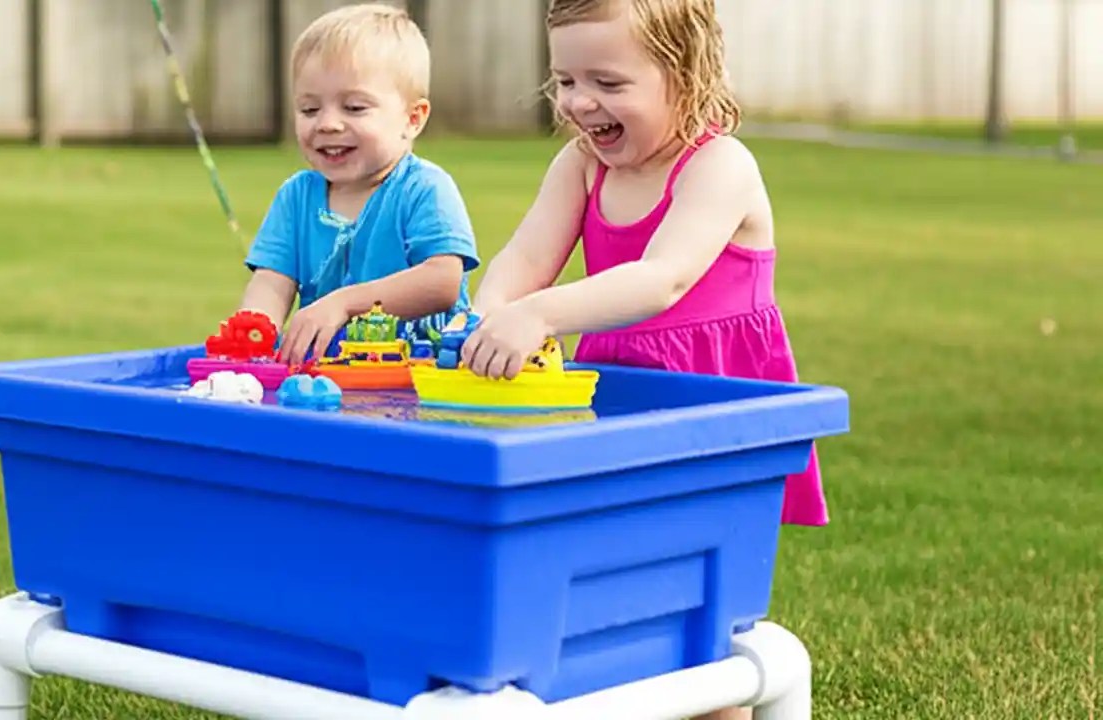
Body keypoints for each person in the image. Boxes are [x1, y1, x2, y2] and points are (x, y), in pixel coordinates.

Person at [463, 1, 826, 711]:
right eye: (564, 81)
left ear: (684, 75)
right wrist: (484, 317)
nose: (578, 102)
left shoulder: (720, 165)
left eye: (607, 81)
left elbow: (664, 278)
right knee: (610, 584)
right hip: (616, 396)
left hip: (713, 406)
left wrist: (537, 315)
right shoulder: (580, 165)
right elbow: (526, 258)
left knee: (705, 621)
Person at [240, 3, 480, 366]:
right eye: (309, 109)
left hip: (426, 378)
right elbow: (271, 284)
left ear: (412, 119)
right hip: (328, 377)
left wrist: (344, 303)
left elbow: (442, 281)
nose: (328, 124)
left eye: (353, 108)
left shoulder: (424, 189)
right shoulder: (297, 197)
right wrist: (251, 337)